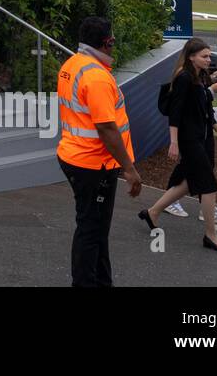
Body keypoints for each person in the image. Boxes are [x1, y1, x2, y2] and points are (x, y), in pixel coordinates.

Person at [55, 16, 142, 287]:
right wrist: (129, 169)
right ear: (108, 42)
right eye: (113, 41)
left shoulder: (72, 65)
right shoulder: (97, 77)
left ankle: (102, 282)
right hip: (94, 165)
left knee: (95, 228)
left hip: (74, 155)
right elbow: (107, 129)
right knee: (91, 231)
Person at [139, 38, 217, 253]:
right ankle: (211, 235)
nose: (208, 59)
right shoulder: (184, 77)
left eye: (209, 55)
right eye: (204, 56)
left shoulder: (200, 77)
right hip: (190, 139)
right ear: (191, 56)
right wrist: (173, 142)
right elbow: (175, 112)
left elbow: (206, 112)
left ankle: (153, 212)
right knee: (208, 184)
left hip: (204, 138)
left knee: (187, 182)